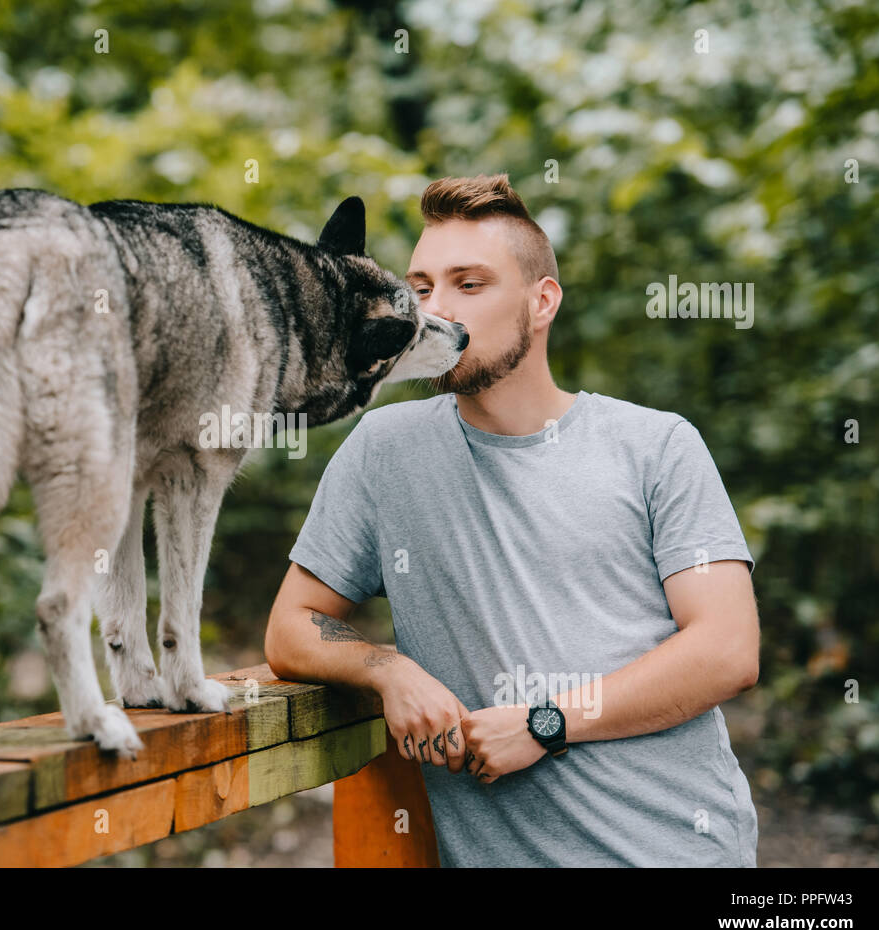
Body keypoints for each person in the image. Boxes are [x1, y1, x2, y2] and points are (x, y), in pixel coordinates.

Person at [265, 173, 761, 867]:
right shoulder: (383, 451)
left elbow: (728, 649)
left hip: (676, 848)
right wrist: (389, 669)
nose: (437, 309)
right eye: (423, 287)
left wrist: (546, 722)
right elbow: (292, 625)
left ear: (542, 300)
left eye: (470, 284)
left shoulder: (655, 444)